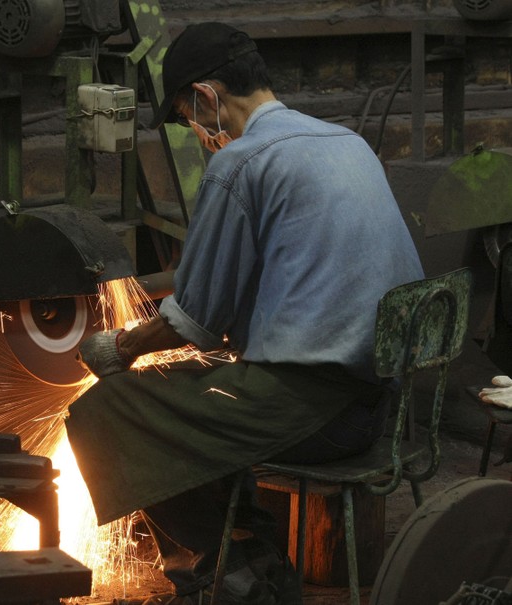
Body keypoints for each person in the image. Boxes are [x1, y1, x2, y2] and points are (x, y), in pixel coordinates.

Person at [65, 21, 425, 605]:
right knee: (199, 394)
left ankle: (229, 566)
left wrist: (118, 347)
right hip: (383, 404)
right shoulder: (344, 142)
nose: (201, 135)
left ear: (208, 97)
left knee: (110, 412)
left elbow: (194, 321)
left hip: (317, 413)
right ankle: (247, 546)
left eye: (190, 120)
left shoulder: (241, 164)